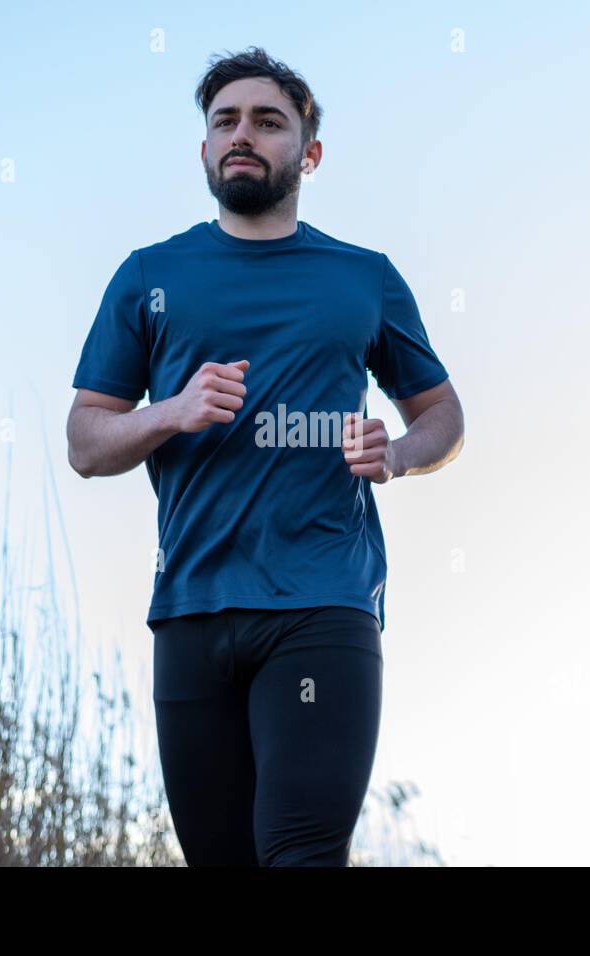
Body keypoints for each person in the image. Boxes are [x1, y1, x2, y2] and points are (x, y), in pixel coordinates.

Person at [66, 46, 464, 866]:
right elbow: (84, 441)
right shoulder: (149, 276)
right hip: (190, 610)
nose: (242, 134)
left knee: (300, 852)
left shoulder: (364, 278)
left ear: (308, 153)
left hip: (322, 602)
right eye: (226, 122)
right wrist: (171, 412)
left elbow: (443, 415)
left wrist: (396, 456)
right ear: (205, 150)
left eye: (268, 121)